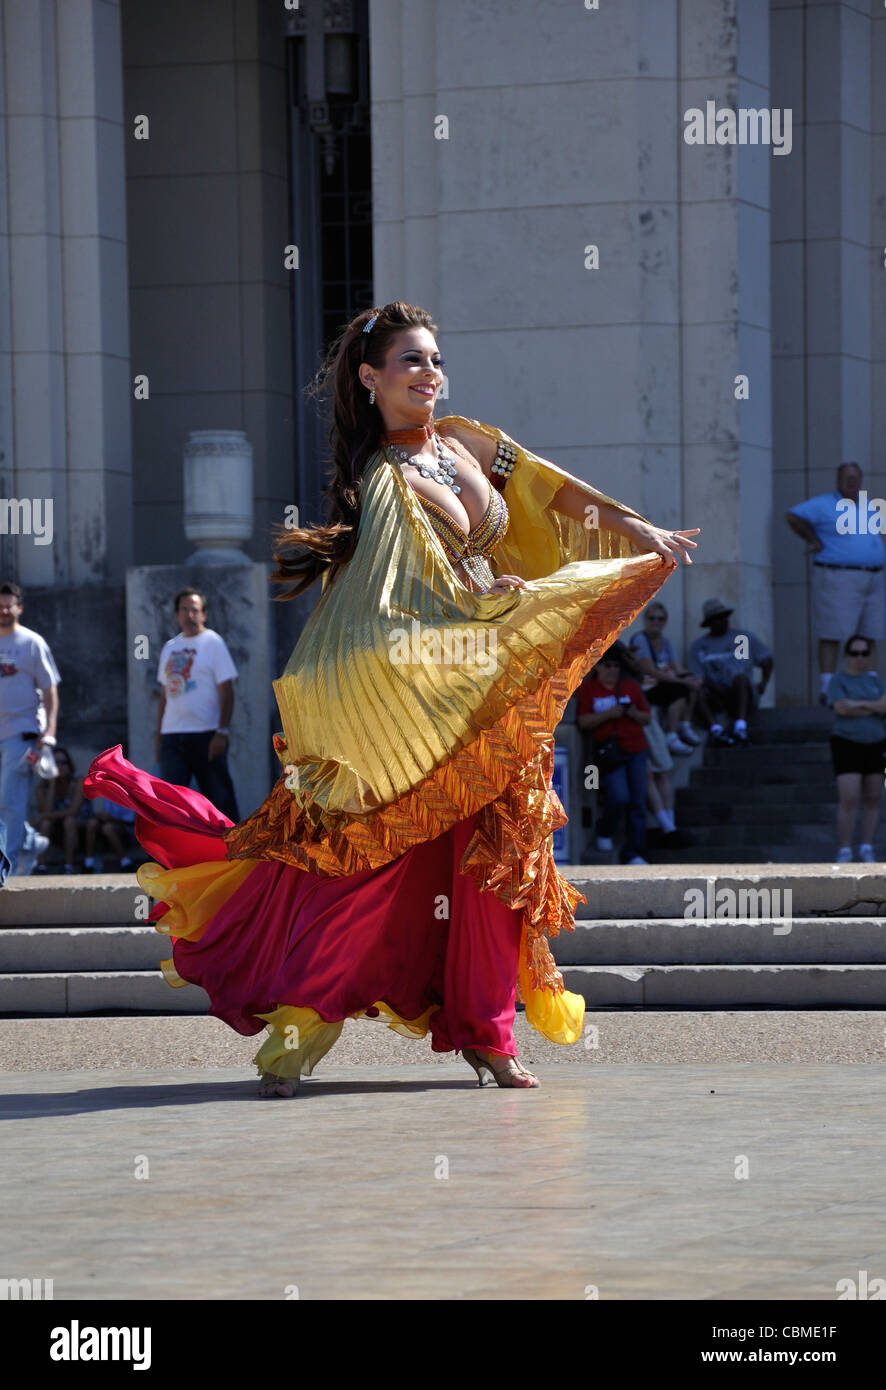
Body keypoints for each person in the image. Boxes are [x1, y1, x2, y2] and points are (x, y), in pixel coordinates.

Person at [83, 300, 699, 1096]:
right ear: (371, 379)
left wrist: (636, 529)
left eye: (436, 359)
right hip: (426, 683)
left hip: (490, 676)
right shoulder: (385, 478)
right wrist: (484, 603)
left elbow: (552, 493)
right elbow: (395, 600)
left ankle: (488, 1033)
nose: (430, 373)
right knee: (372, 866)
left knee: (491, 863)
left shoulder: (470, 443)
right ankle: (302, 1021)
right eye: (412, 361)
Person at [786, 463, 884, 703]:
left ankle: (869, 683)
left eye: (855, 479)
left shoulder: (868, 506)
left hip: (873, 576)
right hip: (838, 575)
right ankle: (827, 687)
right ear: (838, 480)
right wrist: (813, 539)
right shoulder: (823, 504)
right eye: (847, 478)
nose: (851, 483)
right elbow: (793, 516)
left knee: (870, 631)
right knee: (832, 632)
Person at [155, 590, 240, 821]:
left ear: (204, 614)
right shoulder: (169, 647)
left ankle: (233, 852)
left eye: (194, 609)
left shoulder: (213, 643)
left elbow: (227, 690)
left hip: (207, 735)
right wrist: (159, 737)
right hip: (173, 736)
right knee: (172, 805)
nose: (189, 614)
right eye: (184, 609)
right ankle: (178, 856)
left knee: (219, 800)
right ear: (176, 615)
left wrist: (222, 731)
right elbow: (164, 695)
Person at [0, 581, 59, 874]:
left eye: (9, 605)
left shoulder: (32, 643)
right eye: (0, 606)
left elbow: (49, 691)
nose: (4, 611)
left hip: (22, 736)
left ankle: (6, 868)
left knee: (9, 801)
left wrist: (49, 733)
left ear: (19, 608)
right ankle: (31, 841)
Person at [577, 642, 652, 865]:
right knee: (619, 797)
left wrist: (632, 713)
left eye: (616, 666)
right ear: (598, 667)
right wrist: (610, 714)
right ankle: (605, 830)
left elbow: (647, 718)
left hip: (636, 749)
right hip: (610, 753)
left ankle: (635, 852)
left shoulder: (630, 687)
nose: (613, 670)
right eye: (608, 665)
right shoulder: (589, 690)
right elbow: (583, 721)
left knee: (638, 802)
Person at [826, 634, 886, 863]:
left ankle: (866, 847)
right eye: (855, 653)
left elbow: (885, 705)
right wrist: (873, 708)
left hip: (876, 742)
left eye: (864, 653)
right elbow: (841, 708)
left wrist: (857, 703)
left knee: (873, 796)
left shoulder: (875, 682)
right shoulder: (838, 680)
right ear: (847, 655)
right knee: (849, 797)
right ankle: (844, 849)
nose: (860, 658)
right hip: (846, 742)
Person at [688, 598, 773, 746]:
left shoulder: (742, 638)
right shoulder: (699, 647)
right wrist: (712, 686)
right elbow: (697, 677)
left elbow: (767, 660)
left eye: (724, 616)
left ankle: (741, 726)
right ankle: (715, 729)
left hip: (742, 690)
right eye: (717, 618)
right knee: (697, 690)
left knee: (740, 678)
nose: (723, 621)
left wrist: (764, 684)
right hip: (716, 694)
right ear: (709, 623)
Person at [628, 601, 701, 754]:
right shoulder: (641, 639)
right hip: (647, 686)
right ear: (645, 619)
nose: (656, 622)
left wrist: (691, 677)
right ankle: (672, 735)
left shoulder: (666, 642)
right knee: (680, 690)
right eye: (652, 618)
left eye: (660, 619)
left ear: (665, 621)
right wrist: (682, 680)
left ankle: (685, 725)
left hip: (663, 683)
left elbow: (677, 667)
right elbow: (651, 670)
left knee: (692, 686)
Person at [33, 747, 97, 874]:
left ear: (69, 764)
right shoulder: (42, 787)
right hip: (56, 830)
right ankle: (41, 866)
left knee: (69, 821)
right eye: (56, 763)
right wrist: (52, 783)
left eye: (64, 762)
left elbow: (73, 811)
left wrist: (44, 816)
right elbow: (45, 811)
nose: (60, 766)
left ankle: (69, 866)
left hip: (80, 826)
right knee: (45, 824)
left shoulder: (78, 781)